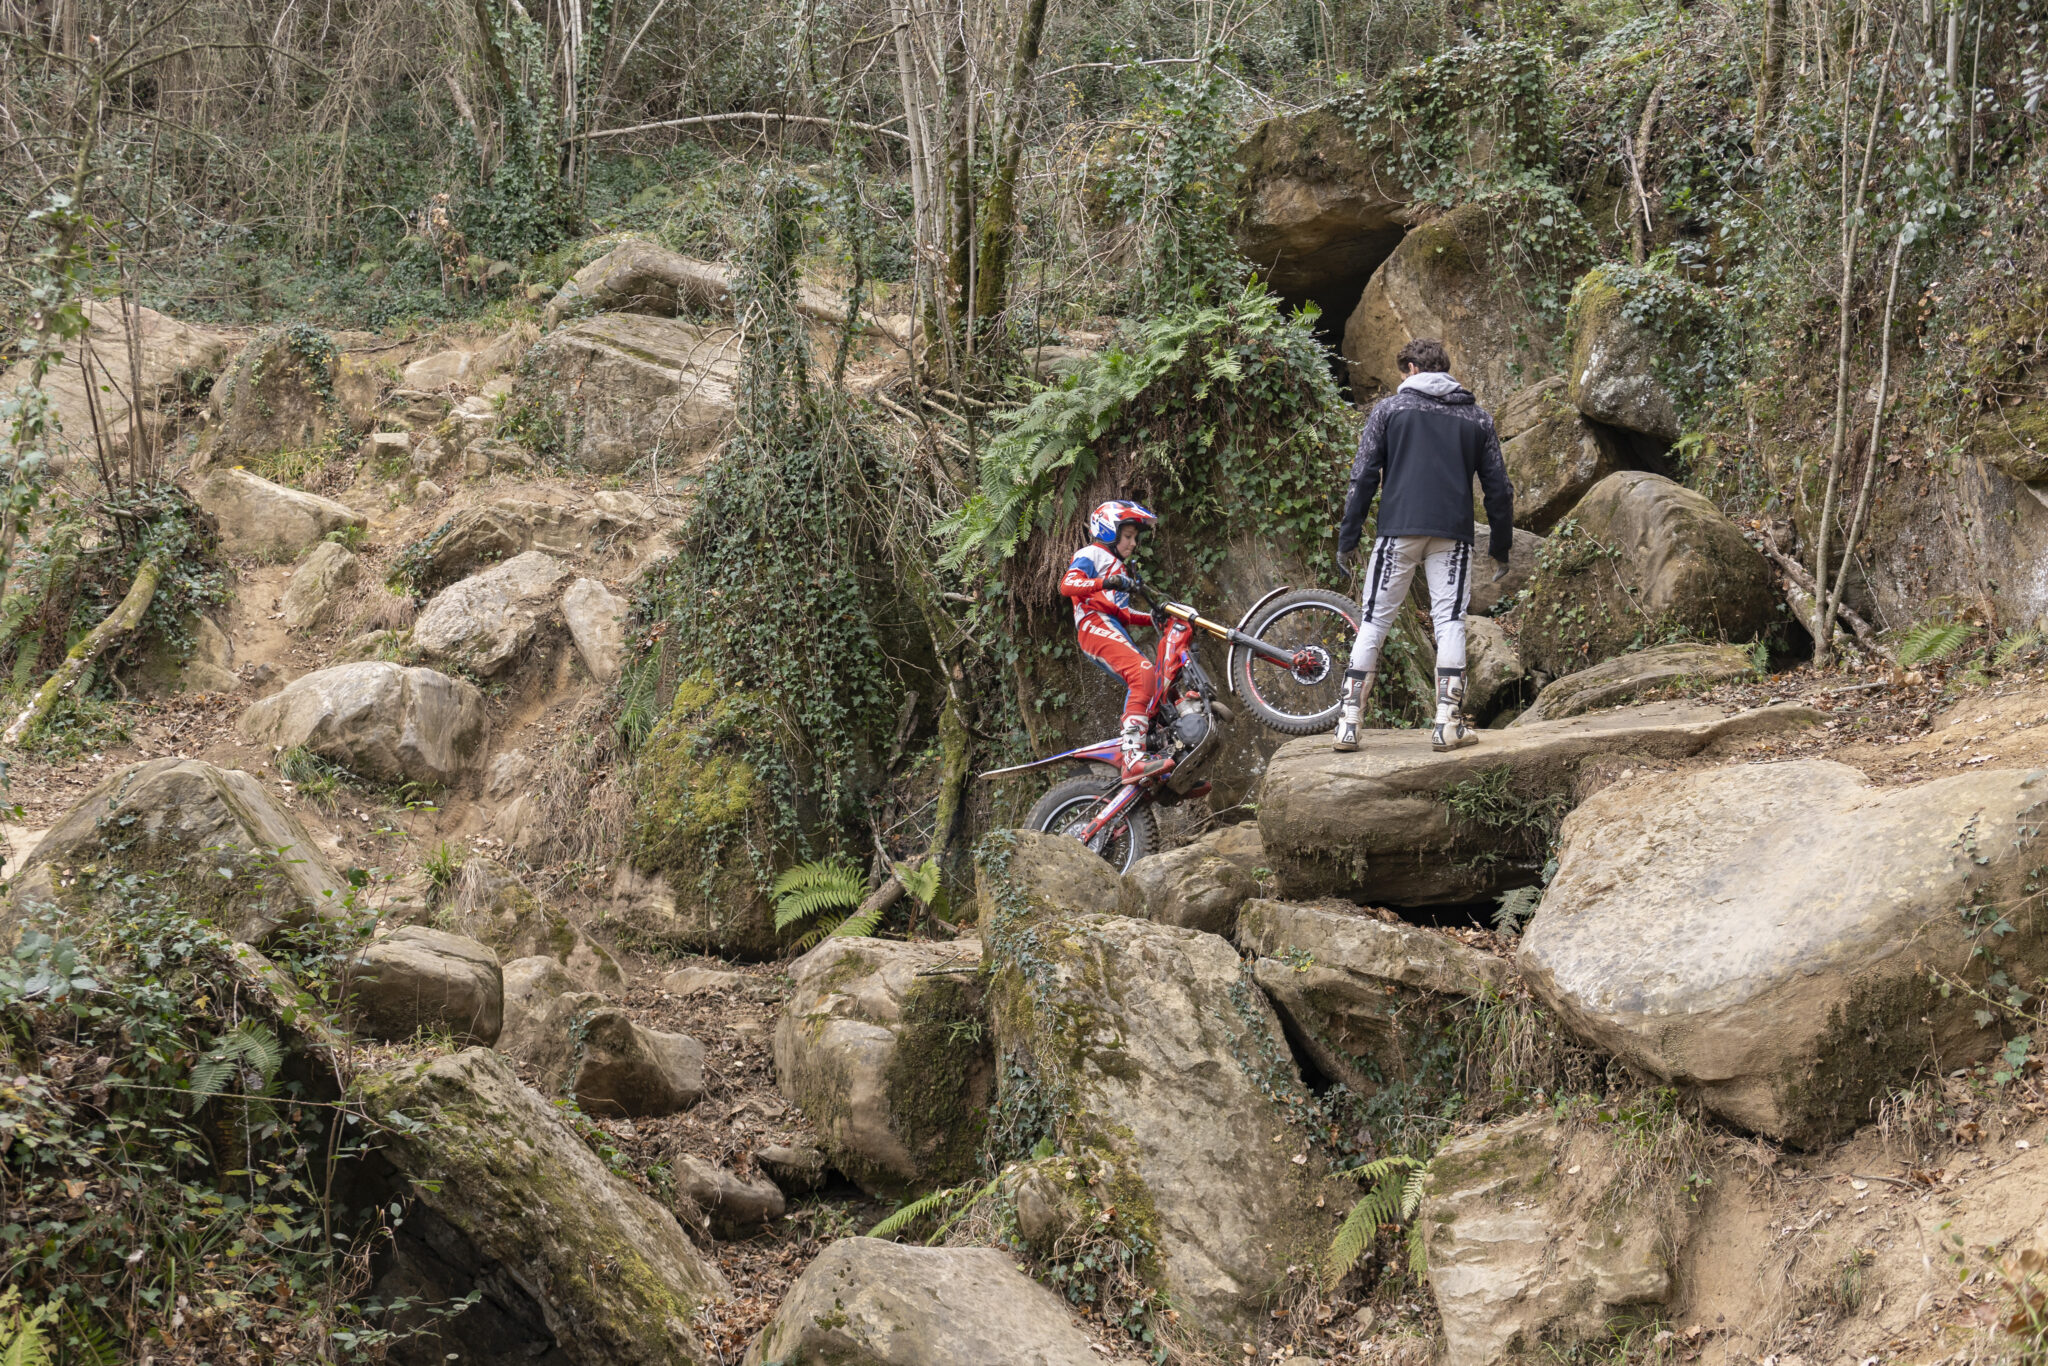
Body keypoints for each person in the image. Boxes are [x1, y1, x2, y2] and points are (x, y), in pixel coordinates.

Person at [1334, 338, 1514, 753]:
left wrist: (1348, 537)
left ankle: (1348, 724)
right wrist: (1501, 546)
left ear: (1412, 369)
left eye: (1402, 372)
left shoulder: (1389, 410)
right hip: (1453, 534)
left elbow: (1363, 476)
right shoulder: (1477, 417)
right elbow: (1499, 489)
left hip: (1398, 529)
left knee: (1374, 621)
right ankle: (1448, 724)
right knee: (1449, 621)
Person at [1061, 500, 1172, 784]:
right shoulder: (1091, 554)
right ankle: (1132, 757)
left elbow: (1123, 613)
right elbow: (1067, 585)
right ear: (1109, 531)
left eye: (1135, 537)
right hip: (1093, 624)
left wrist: (1157, 617)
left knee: (1156, 686)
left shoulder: (1118, 568)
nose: (1133, 543)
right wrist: (1104, 583)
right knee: (1143, 672)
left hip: (1111, 625)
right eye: (1128, 536)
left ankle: (1164, 760)